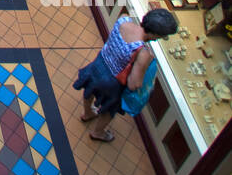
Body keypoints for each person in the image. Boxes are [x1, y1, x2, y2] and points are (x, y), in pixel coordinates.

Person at [73, 8, 178, 143]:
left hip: (99, 63)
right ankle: (97, 132)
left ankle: (87, 113)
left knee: (89, 89)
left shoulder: (124, 19)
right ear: (155, 34)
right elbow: (134, 84)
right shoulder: (143, 53)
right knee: (109, 109)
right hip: (112, 82)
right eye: (162, 36)